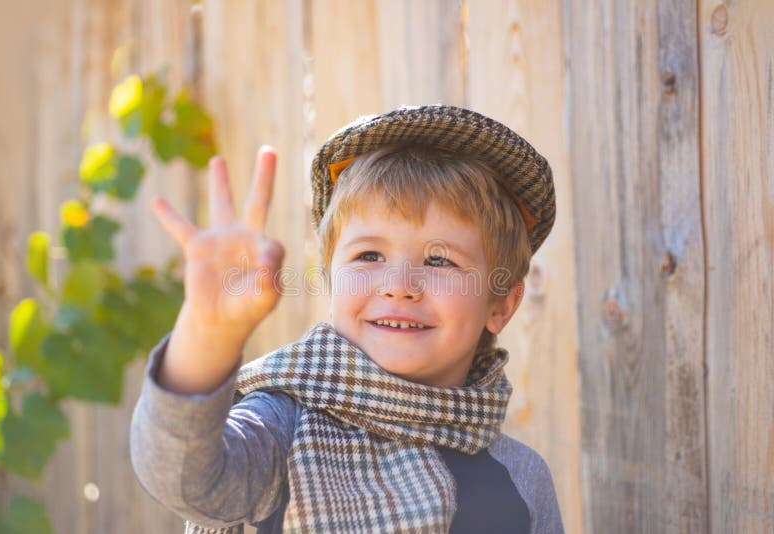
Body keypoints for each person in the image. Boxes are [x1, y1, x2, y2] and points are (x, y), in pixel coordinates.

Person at [129, 105, 565, 533]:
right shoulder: (279, 431)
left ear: (501, 305)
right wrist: (208, 334)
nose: (399, 284)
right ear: (331, 281)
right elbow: (183, 479)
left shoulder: (523, 479)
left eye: (439, 260)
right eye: (369, 255)